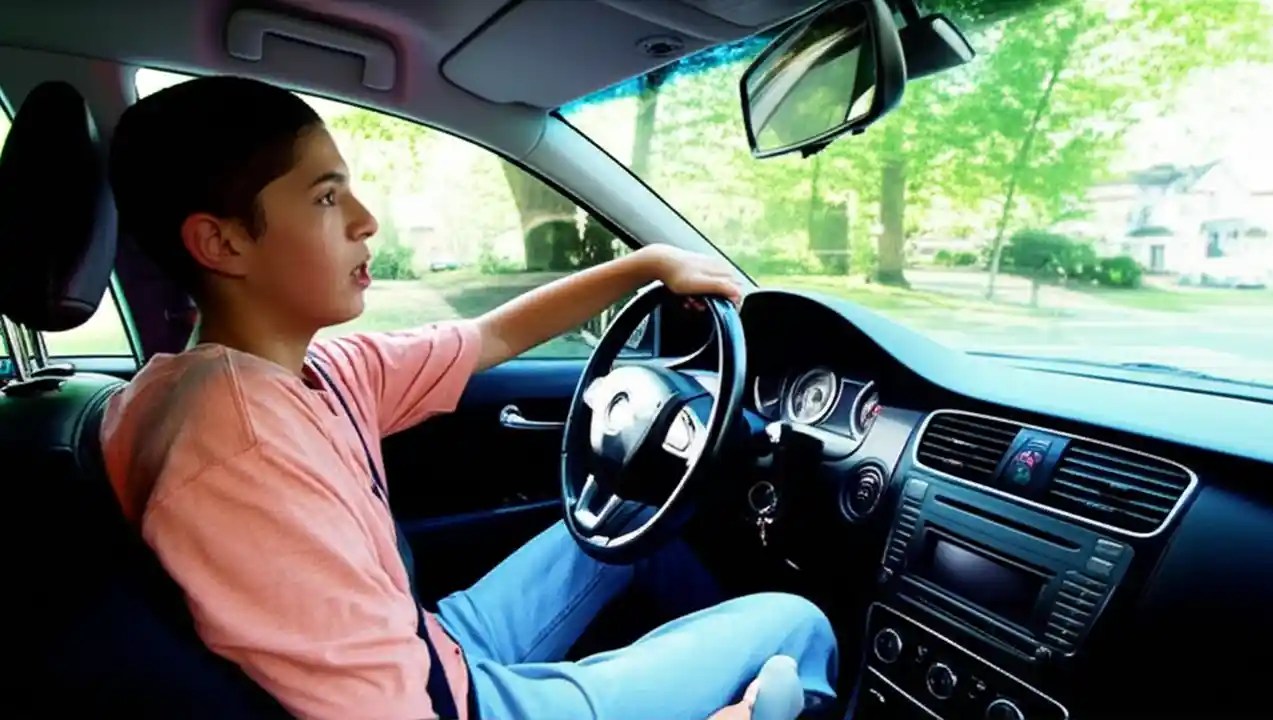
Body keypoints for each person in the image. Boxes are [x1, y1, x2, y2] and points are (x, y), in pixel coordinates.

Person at [101, 75, 838, 720]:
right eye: (327, 197)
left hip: (433, 645)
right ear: (221, 243)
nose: (366, 219)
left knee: (638, 509)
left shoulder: (308, 371)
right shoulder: (239, 451)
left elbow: (488, 338)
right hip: (449, 703)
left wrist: (647, 264)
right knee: (796, 623)